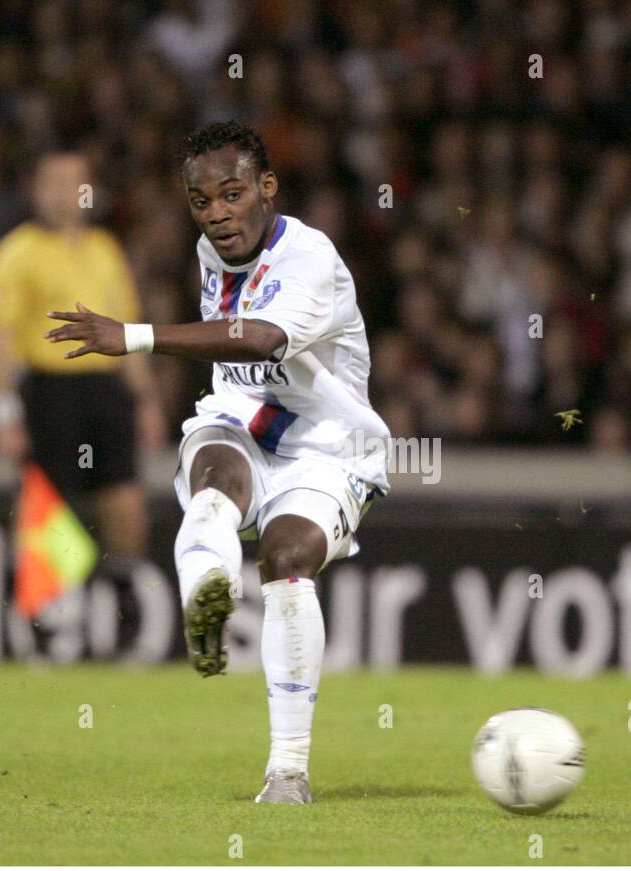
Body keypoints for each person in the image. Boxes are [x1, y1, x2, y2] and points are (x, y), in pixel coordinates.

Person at [45, 122, 391, 804]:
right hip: (243, 419)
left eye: (233, 194)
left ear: (268, 188)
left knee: (288, 559)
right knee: (214, 483)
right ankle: (208, 594)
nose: (217, 213)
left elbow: (261, 337)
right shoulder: (212, 249)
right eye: (202, 201)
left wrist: (135, 337)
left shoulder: (309, 257)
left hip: (329, 445)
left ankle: (287, 770)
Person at [0, 150, 163, 649]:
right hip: (49, 389)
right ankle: (39, 622)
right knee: (47, 509)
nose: (66, 193)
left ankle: (122, 607)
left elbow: (130, 330)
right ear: (37, 192)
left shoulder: (106, 249)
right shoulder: (16, 252)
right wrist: (3, 409)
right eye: (55, 183)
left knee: (125, 501)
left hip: (105, 390)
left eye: (75, 183)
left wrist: (144, 400)